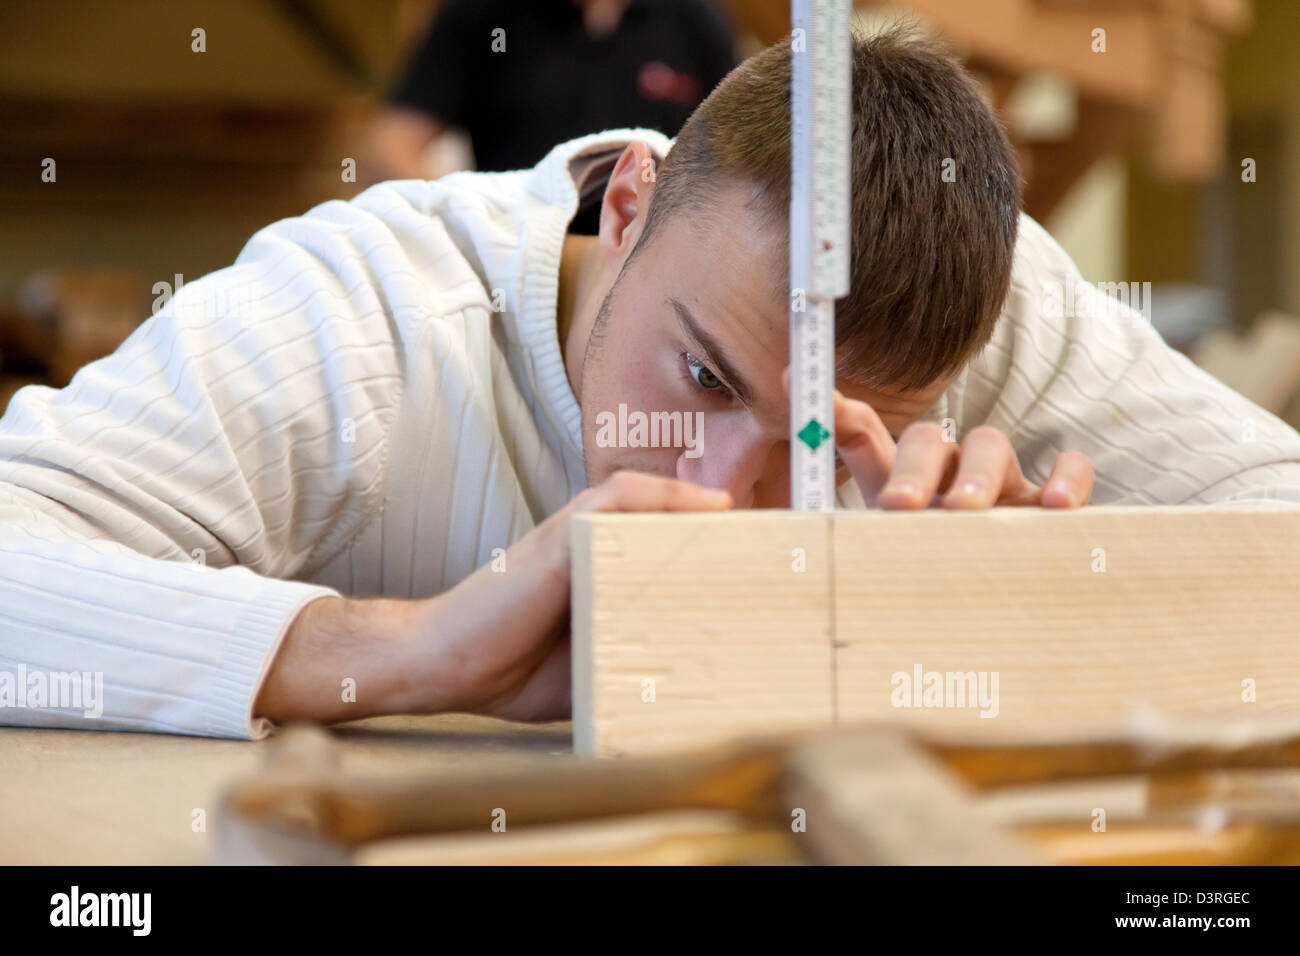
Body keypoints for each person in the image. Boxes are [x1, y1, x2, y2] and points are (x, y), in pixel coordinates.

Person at [2, 31, 1298, 739]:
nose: (722, 484)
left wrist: (1040, 608)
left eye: (829, 440)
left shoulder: (1004, 313)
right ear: (629, 202)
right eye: (701, 372)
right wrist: (397, 654)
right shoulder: (359, 315)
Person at [364, 0, 737, 233]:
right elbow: (388, 148)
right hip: (519, 257)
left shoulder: (695, 19)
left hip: (650, 250)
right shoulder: (481, 16)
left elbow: (735, 159)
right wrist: (476, 222)